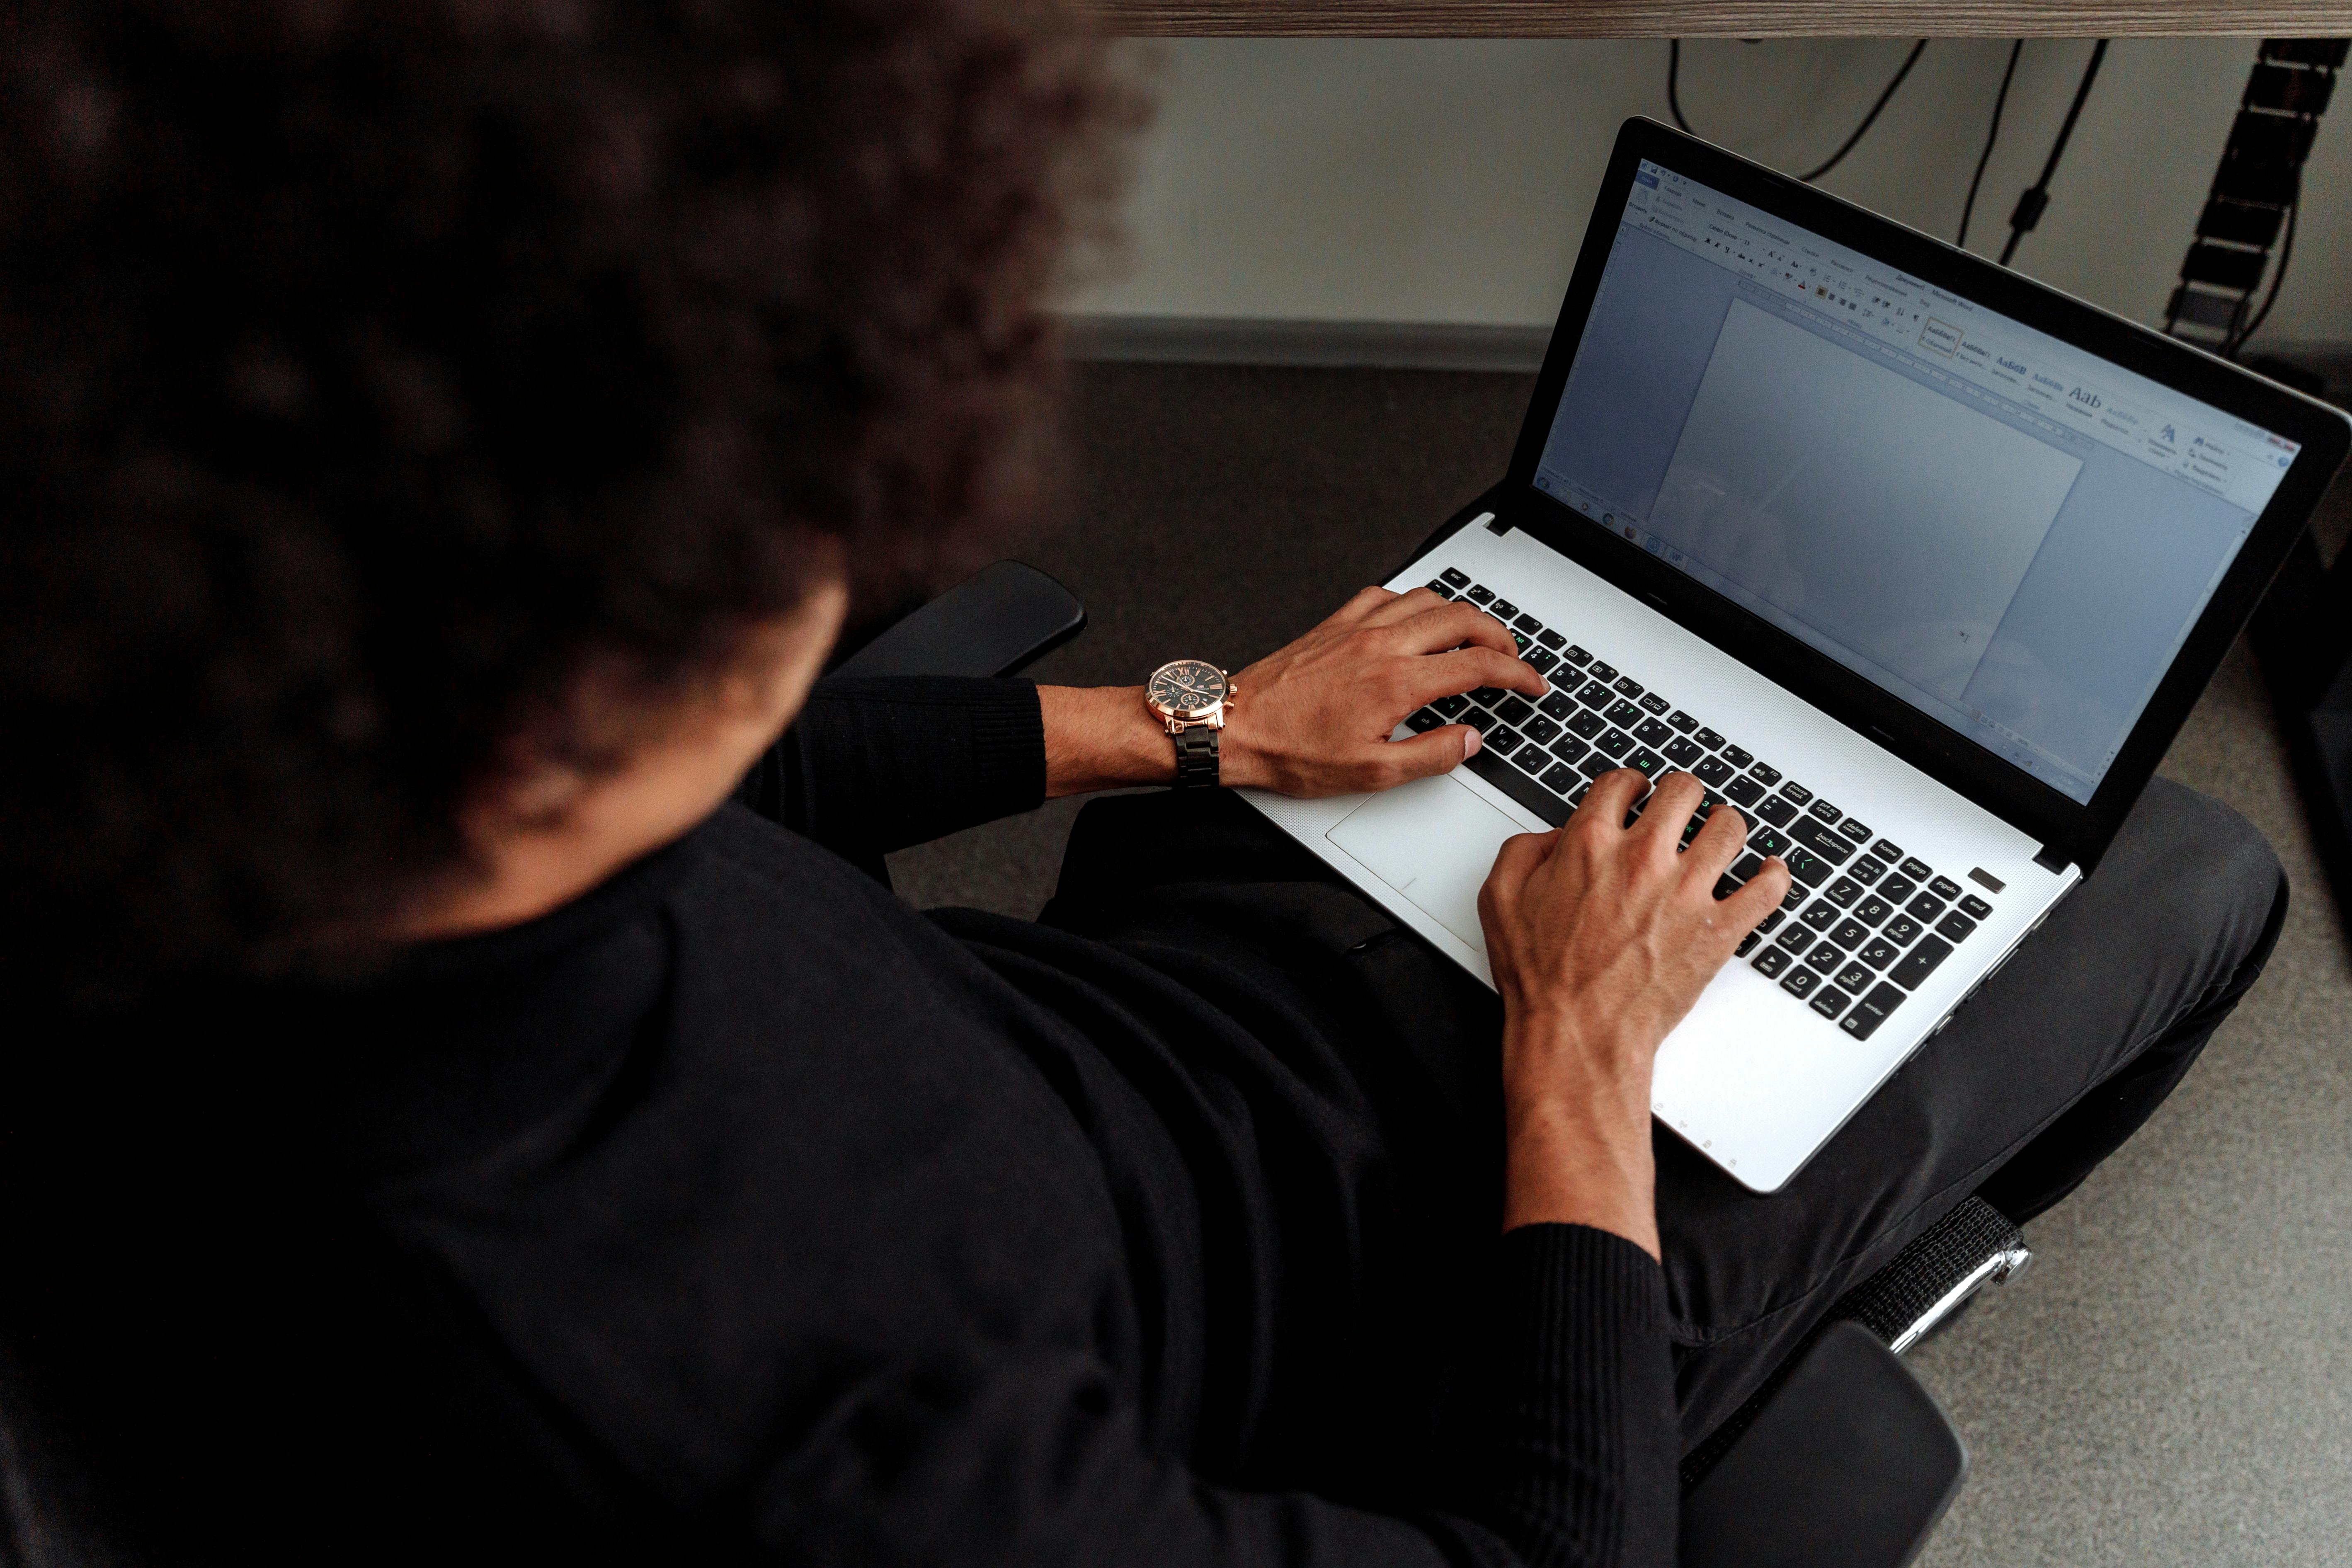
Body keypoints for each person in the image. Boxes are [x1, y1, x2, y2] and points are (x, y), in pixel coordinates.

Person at [0, 3, 2287, 1565]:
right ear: (567, 709)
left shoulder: (223, 818)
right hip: (1448, 1305)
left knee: (1450, 696)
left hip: (1114, 1049)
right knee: (2184, 861)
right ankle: (1822, 1289)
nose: (850, 527)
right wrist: (1583, 1063)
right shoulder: (819, 1474)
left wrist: (1201, 727)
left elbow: (739, 789)